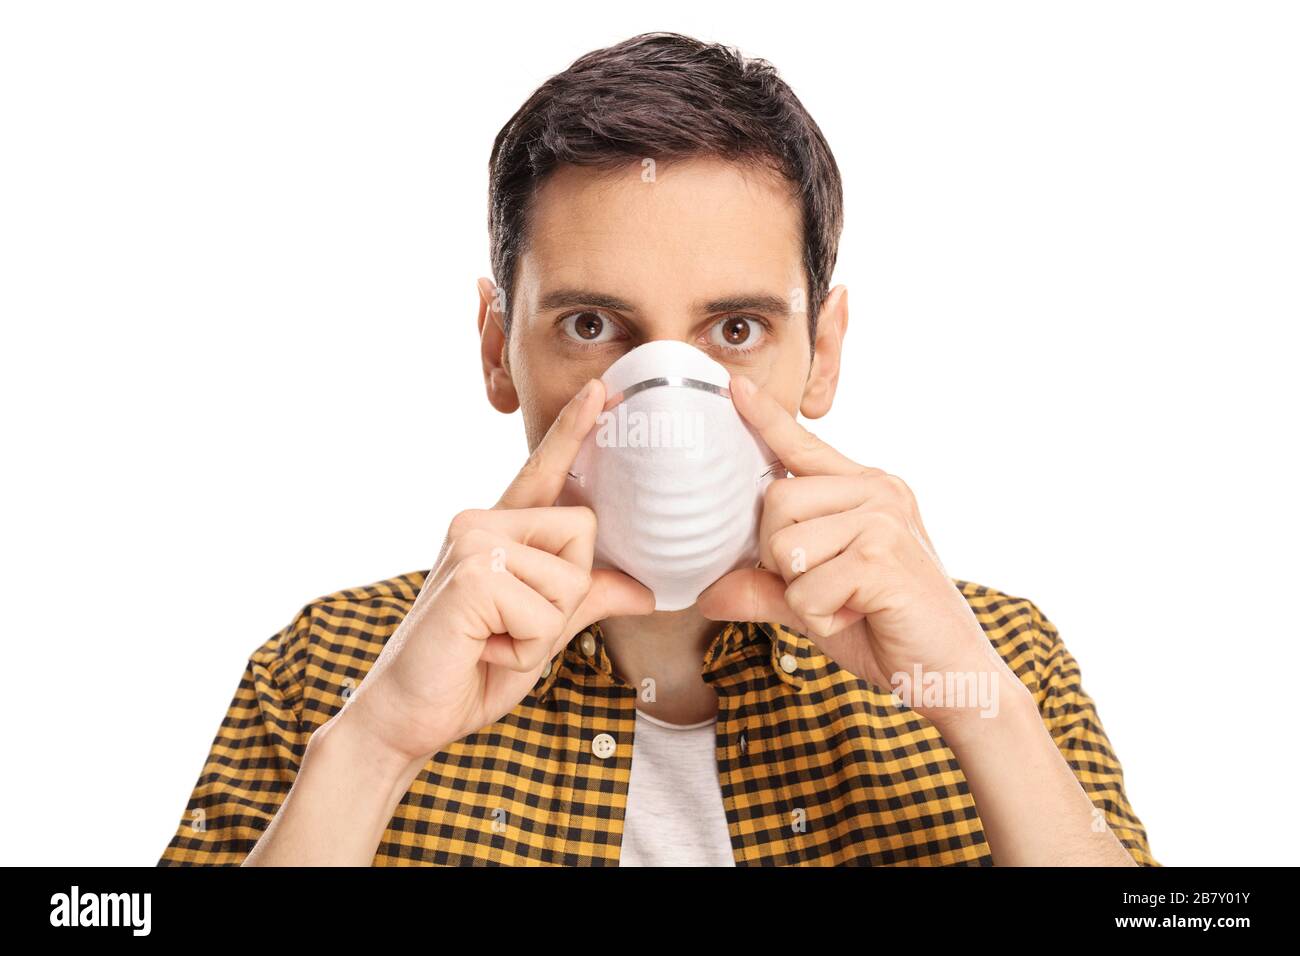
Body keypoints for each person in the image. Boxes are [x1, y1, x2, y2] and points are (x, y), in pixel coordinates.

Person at [157, 31, 1156, 867]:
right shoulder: (327, 670)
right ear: (496, 347)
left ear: (824, 352)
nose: (665, 400)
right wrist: (371, 747)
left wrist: (984, 716)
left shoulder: (998, 655)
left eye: (735, 330)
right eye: (592, 324)